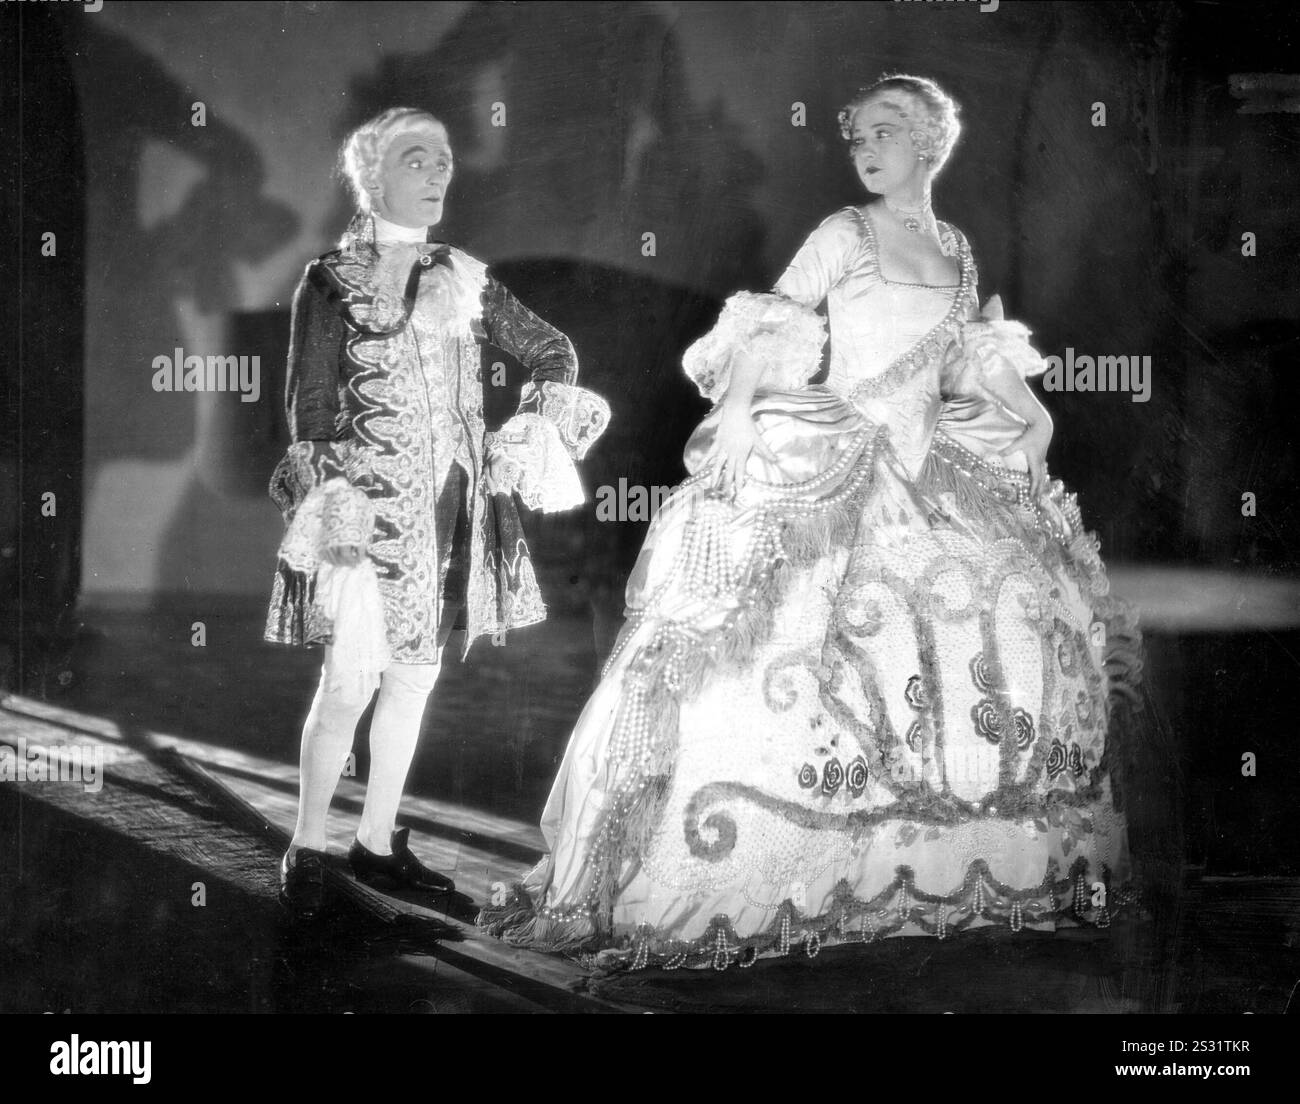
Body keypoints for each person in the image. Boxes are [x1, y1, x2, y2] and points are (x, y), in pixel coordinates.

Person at [481, 75, 1143, 969]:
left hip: (933, 467)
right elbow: (774, 324)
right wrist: (746, 411)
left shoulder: (957, 249)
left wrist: (1032, 416)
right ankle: (746, 879)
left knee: (1008, 629)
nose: (865, 150)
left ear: (927, 144)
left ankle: (945, 869)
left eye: (883, 133)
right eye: (857, 137)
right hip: (835, 453)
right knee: (773, 650)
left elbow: (964, 365)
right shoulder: (843, 232)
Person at [265, 107, 609, 920]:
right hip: (366, 518)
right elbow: (309, 409)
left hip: (450, 516)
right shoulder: (330, 280)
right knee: (349, 683)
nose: (439, 173)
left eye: (445, 159)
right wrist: (334, 509)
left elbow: (552, 350)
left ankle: (376, 843)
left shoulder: (463, 271)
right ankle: (308, 853)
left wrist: (531, 425)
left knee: (414, 680)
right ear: (373, 177)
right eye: (418, 160)